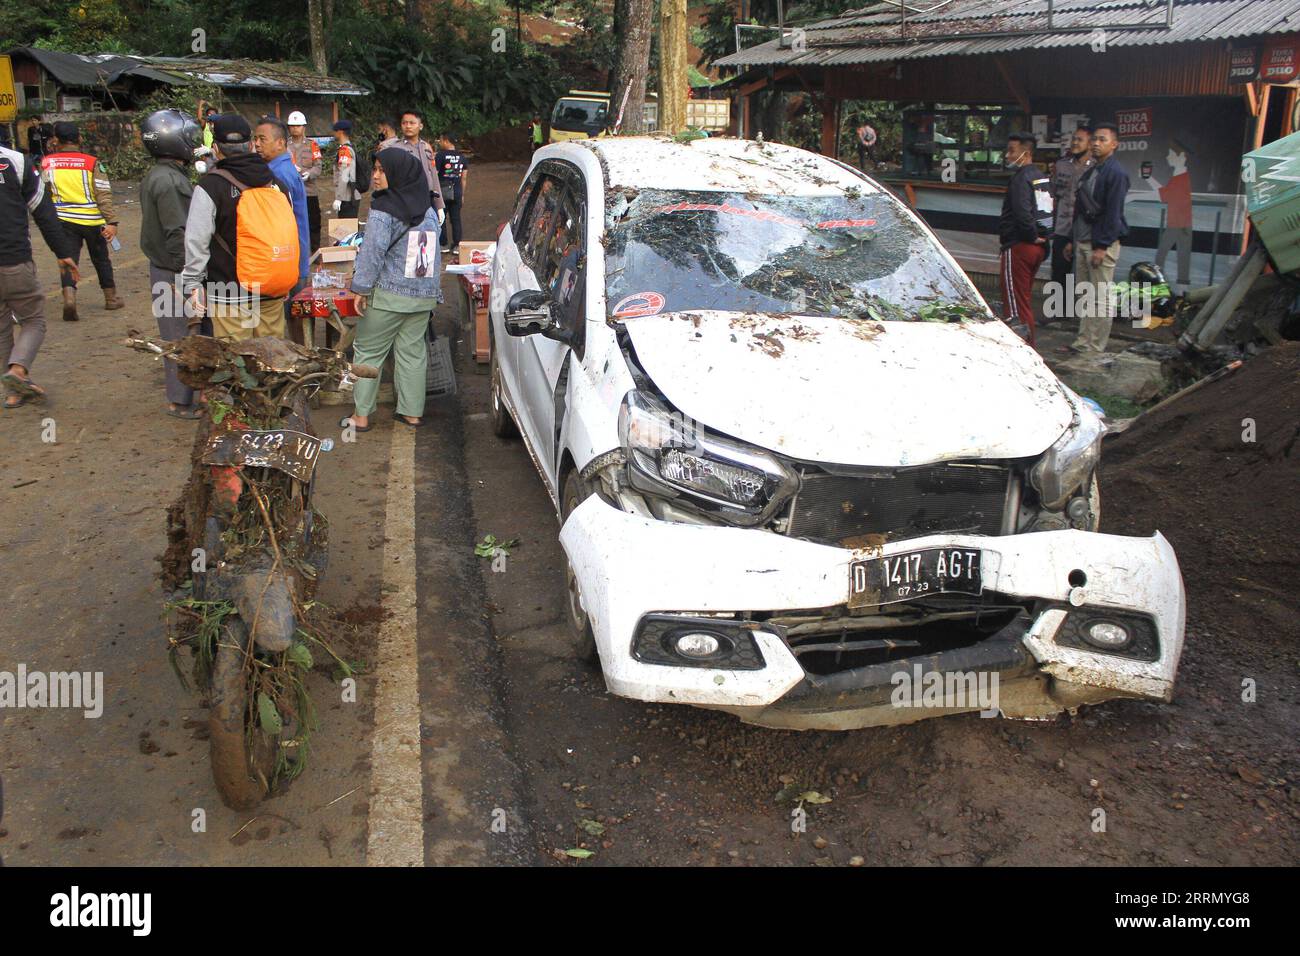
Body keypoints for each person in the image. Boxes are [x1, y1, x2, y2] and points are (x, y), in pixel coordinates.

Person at [339, 148, 441, 432]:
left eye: (382, 170)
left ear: (397, 174)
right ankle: (412, 414)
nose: (375, 175)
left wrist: (360, 288)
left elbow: (371, 253)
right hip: (422, 298)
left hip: (388, 295)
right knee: (412, 353)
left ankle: (360, 417)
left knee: (368, 351)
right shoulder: (428, 210)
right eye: (375, 169)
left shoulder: (384, 209)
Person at [181, 114, 297, 341]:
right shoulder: (276, 183)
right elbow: (288, 233)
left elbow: (197, 241)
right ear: (252, 144)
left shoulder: (210, 187)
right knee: (271, 362)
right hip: (271, 290)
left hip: (228, 294)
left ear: (215, 148)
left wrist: (193, 284)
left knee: (237, 365)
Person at [0, 139, 79, 408]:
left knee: (1, 329)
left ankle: (13, 393)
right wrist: (63, 252)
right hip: (14, 261)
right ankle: (18, 371)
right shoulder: (16, 162)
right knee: (33, 320)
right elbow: (43, 211)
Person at [139, 108, 204, 419]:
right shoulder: (169, 182)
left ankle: (191, 395)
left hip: (166, 268)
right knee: (179, 336)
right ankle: (179, 401)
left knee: (181, 333)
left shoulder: (162, 175)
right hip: (173, 270)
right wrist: (188, 278)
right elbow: (177, 232)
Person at [40, 121, 122, 321]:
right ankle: (111, 299)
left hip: (63, 221)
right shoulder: (92, 162)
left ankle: (69, 299)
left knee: (69, 260)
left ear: (56, 141)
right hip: (93, 221)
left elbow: (43, 194)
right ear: (79, 139)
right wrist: (111, 222)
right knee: (101, 259)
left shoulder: (47, 163)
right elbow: (103, 193)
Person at [1063, 122, 1130, 357]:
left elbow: (1113, 213)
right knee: (1084, 293)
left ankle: (1095, 346)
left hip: (1100, 244)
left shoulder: (1116, 174)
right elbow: (1080, 209)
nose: (1096, 144)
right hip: (1082, 240)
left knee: (1101, 297)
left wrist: (1101, 246)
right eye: (1095, 140)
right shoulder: (1092, 170)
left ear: (1114, 144)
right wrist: (1072, 239)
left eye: (1102, 140)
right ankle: (1083, 342)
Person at [253, 116, 311, 343]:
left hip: (287, 258)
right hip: (293, 255)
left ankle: (298, 365)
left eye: (262, 139)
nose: (257, 144)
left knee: (290, 318)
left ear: (280, 143)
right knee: (291, 317)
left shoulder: (280, 174)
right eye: (255, 139)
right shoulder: (276, 169)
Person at [997, 132, 1053, 347]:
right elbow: (1047, 211)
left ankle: (1025, 349)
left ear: (1025, 153)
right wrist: (1043, 237)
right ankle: (1029, 346)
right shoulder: (1041, 177)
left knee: (1015, 306)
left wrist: (1030, 235)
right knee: (1024, 299)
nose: (1008, 156)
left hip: (1020, 245)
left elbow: (1022, 213)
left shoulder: (1021, 178)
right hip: (1038, 247)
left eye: (1012, 151)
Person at [1047, 125, 1093, 318]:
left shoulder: (1096, 167)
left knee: (1085, 274)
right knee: (1059, 271)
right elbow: (1052, 194)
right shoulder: (1062, 164)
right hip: (1062, 227)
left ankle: (1085, 317)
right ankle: (1059, 315)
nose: (1075, 143)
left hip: (1084, 229)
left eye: (1080, 140)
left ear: (1090, 144)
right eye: (1074, 139)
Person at [382, 110, 446, 227]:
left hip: (428, 199)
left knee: (430, 235)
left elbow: (434, 177)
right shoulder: (396, 149)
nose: (408, 126)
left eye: (412, 123)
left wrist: (439, 205)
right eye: (404, 123)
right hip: (407, 202)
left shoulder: (426, 147)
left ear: (420, 126)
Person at [1146, 139, 1194, 293]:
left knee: (1161, 256)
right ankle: (1182, 292)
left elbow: (1164, 196)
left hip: (1177, 224)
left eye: (1171, 154)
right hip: (1183, 223)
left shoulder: (1181, 176)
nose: (1168, 157)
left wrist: (1135, 195)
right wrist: (1148, 179)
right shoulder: (1180, 175)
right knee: (1183, 258)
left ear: (1182, 157)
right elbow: (1166, 193)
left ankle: (1161, 288)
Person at [286, 110, 322, 253]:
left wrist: (310, 174)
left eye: (298, 125)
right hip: (290, 191)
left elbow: (318, 166)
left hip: (309, 191)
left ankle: (315, 251)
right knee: (292, 223)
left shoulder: (312, 145)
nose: (295, 128)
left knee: (313, 223)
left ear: (304, 127)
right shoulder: (284, 146)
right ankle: (296, 251)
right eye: (292, 125)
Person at [435, 133, 468, 253]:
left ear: (446, 140)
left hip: (442, 192)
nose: (439, 142)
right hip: (457, 191)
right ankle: (457, 245)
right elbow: (464, 178)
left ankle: (443, 244)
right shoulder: (462, 157)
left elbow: (435, 173)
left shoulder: (440, 155)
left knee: (441, 218)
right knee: (456, 219)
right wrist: (462, 194)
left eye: (441, 140)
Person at [331, 119, 363, 219]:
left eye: (335, 131)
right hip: (351, 195)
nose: (333, 133)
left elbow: (344, 175)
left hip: (348, 197)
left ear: (340, 132)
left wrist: (339, 198)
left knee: (347, 231)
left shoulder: (345, 150)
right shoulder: (349, 148)